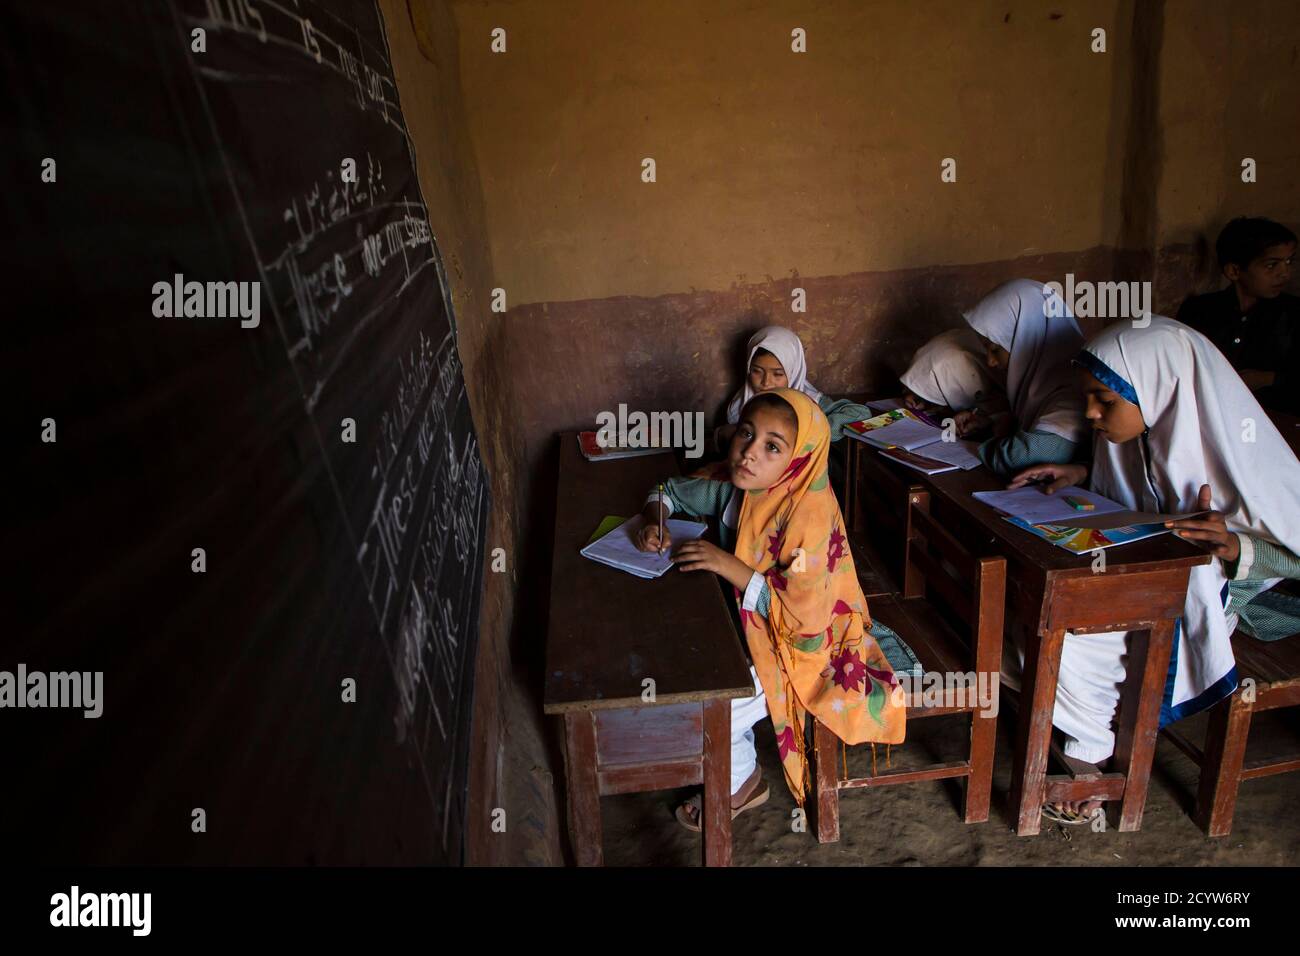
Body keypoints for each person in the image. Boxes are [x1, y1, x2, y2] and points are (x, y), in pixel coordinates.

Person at [1009, 316, 1300, 823]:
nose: (1091, 414)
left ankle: (1089, 753)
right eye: (1088, 398)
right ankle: (1081, 731)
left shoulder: (1242, 454)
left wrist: (1234, 545)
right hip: (1144, 577)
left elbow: (1290, 554)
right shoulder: (1132, 433)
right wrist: (1080, 472)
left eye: (1106, 400)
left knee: (1072, 631)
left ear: (1161, 391)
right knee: (1034, 609)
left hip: (1232, 596)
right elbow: (1132, 497)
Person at [636, 389, 905, 827]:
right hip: (751, 629)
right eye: (746, 433)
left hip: (808, 649)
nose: (749, 454)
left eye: (772, 446)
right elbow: (666, 491)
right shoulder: (732, 487)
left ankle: (741, 782)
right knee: (692, 679)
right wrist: (655, 520)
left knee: (710, 710)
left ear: (798, 458)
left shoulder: (808, 515)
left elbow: (805, 622)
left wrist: (730, 567)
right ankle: (738, 772)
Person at [960, 279, 1088, 477]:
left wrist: (993, 439)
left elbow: (1022, 457)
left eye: (994, 349)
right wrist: (989, 422)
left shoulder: (1073, 389)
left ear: (1028, 338)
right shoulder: (1038, 380)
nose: (991, 362)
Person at [1177, 217, 1298, 414]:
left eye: (1289, 261)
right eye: (1271, 265)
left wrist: (1268, 378)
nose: (1285, 273)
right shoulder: (1198, 311)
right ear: (1234, 271)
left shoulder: (1293, 313)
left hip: (1276, 421)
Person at [714, 326, 872, 451]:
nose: (766, 382)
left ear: (794, 372)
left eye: (778, 374)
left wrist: (804, 433)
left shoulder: (810, 402)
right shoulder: (740, 406)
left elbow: (860, 413)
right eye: (756, 371)